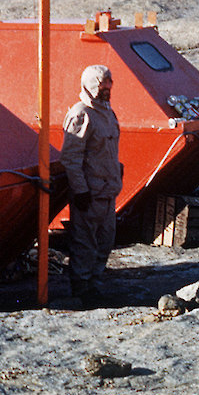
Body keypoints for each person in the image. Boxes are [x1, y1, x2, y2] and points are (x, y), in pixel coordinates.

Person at [60, 65, 122, 306]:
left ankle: (94, 284)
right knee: (84, 243)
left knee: (105, 241)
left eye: (108, 84)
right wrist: (81, 190)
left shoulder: (108, 113)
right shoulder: (81, 114)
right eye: (100, 85)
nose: (105, 89)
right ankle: (81, 288)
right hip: (90, 193)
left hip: (108, 191)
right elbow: (71, 157)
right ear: (88, 86)